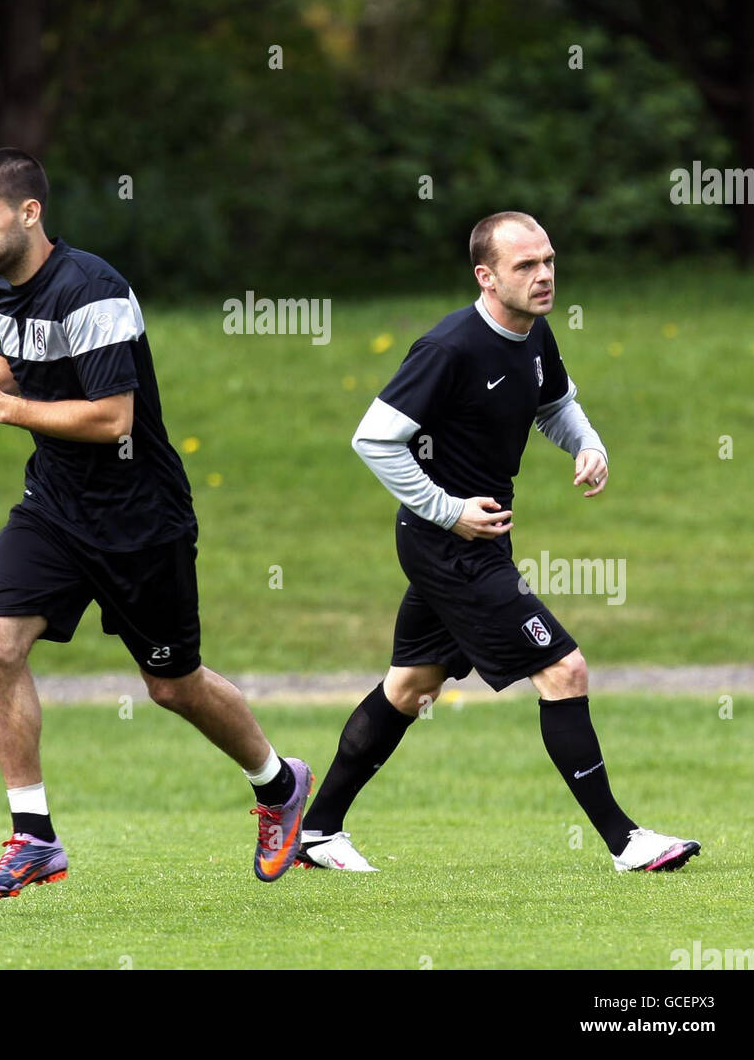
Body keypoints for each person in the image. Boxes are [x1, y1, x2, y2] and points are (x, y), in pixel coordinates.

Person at [0, 147, 311, 898]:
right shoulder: (0, 287)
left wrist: (3, 410)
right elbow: (20, 348)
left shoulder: (94, 288)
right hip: (54, 507)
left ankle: (279, 787)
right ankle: (33, 838)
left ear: (30, 213)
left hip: (141, 521)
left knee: (173, 687)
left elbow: (115, 419)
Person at [298, 211, 699, 875]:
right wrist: (446, 509)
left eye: (547, 262)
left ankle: (316, 831)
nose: (543, 277)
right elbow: (372, 437)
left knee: (411, 687)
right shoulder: (449, 348)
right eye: (525, 266)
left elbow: (556, 402)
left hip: (477, 542)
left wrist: (588, 444)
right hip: (448, 545)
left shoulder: (533, 334)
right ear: (486, 277)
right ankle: (626, 842)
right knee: (564, 668)